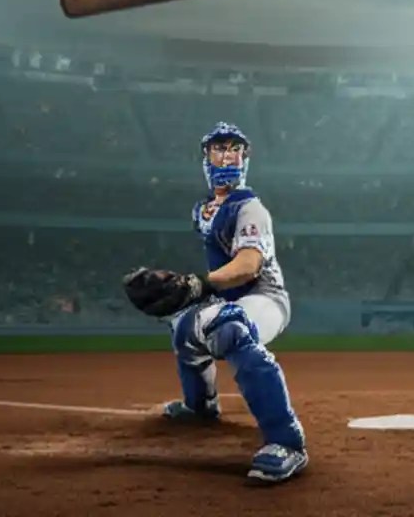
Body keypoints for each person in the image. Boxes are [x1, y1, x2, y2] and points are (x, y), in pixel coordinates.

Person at [120, 121, 307, 484]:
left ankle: (287, 442)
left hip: (265, 298)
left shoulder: (250, 208)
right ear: (206, 157)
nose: (228, 155)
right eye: (220, 148)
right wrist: (195, 291)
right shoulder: (203, 211)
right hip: (229, 297)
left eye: (235, 149)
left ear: (245, 158)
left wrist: (200, 284)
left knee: (229, 326)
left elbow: (249, 264)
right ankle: (201, 406)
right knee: (184, 329)